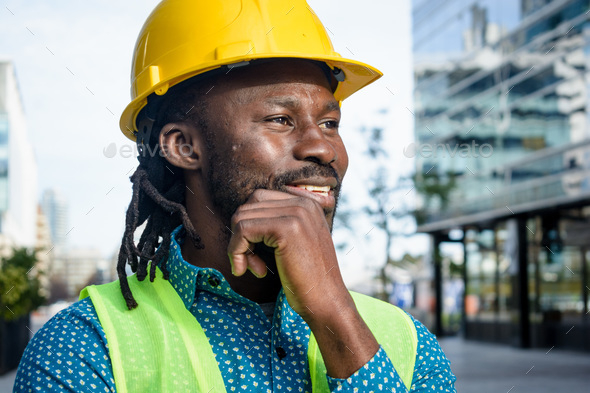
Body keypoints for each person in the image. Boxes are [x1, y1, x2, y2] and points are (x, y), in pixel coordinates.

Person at [15, 1, 456, 392]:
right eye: (281, 119)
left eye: (329, 123)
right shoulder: (84, 351)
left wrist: (335, 317)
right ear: (184, 147)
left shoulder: (405, 342)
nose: (323, 148)